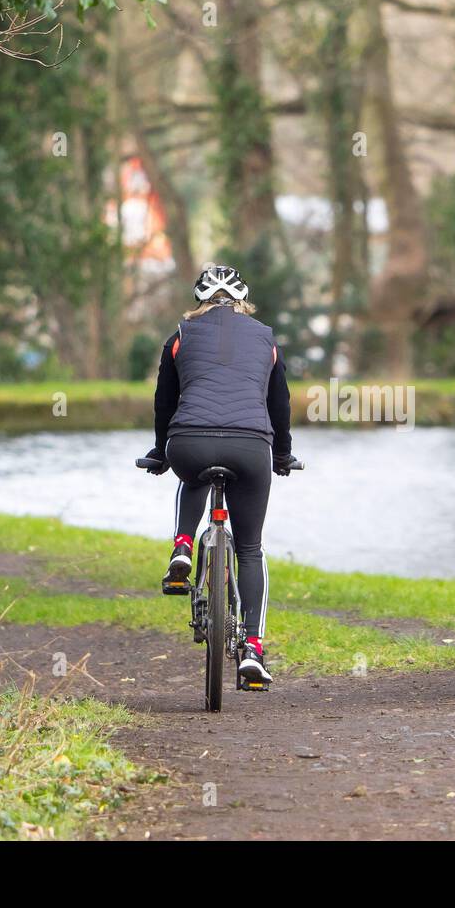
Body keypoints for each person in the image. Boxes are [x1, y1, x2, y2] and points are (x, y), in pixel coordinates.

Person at [143, 265, 297, 687]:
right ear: (244, 300)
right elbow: (279, 403)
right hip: (250, 448)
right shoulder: (265, 338)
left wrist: (162, 451)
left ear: (200, 300)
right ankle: (253, 649)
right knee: (249, 549)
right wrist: (282, 455)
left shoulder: (180, 336)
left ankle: (182, 546)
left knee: (191, 473)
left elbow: (165, 402)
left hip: (189, 442)